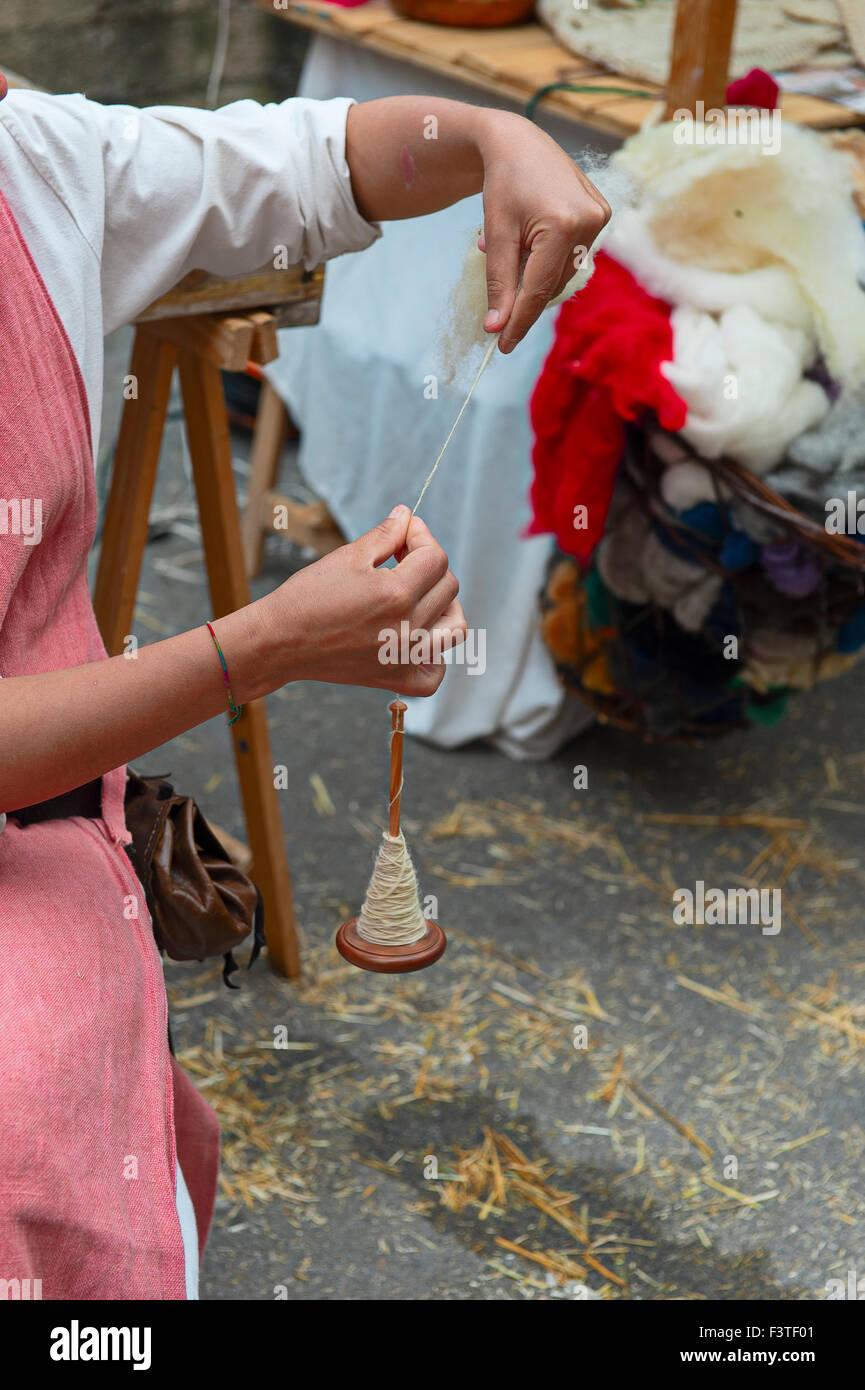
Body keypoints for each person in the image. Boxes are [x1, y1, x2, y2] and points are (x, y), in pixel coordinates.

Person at [0, 67, 609, 1299]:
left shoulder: (36, 162)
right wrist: (266, 644)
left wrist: (499, 136)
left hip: (44, 815)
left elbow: (314, 158)